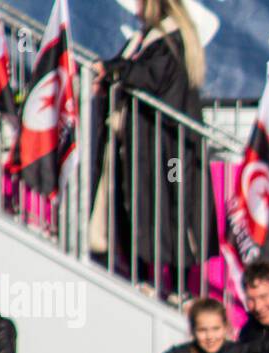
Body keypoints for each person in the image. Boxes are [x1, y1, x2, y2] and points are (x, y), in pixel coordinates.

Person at [88, 0, 216, 301]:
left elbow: (151, 75)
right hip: (143, 145)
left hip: (171, 149)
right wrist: (105, 77)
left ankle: (179, 287)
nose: (135, 7)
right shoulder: (144, 39)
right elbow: (132, 70)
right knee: (138, 204)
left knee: (174, 205)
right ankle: (143, 276)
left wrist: (113, 70)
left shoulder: (171, 39)